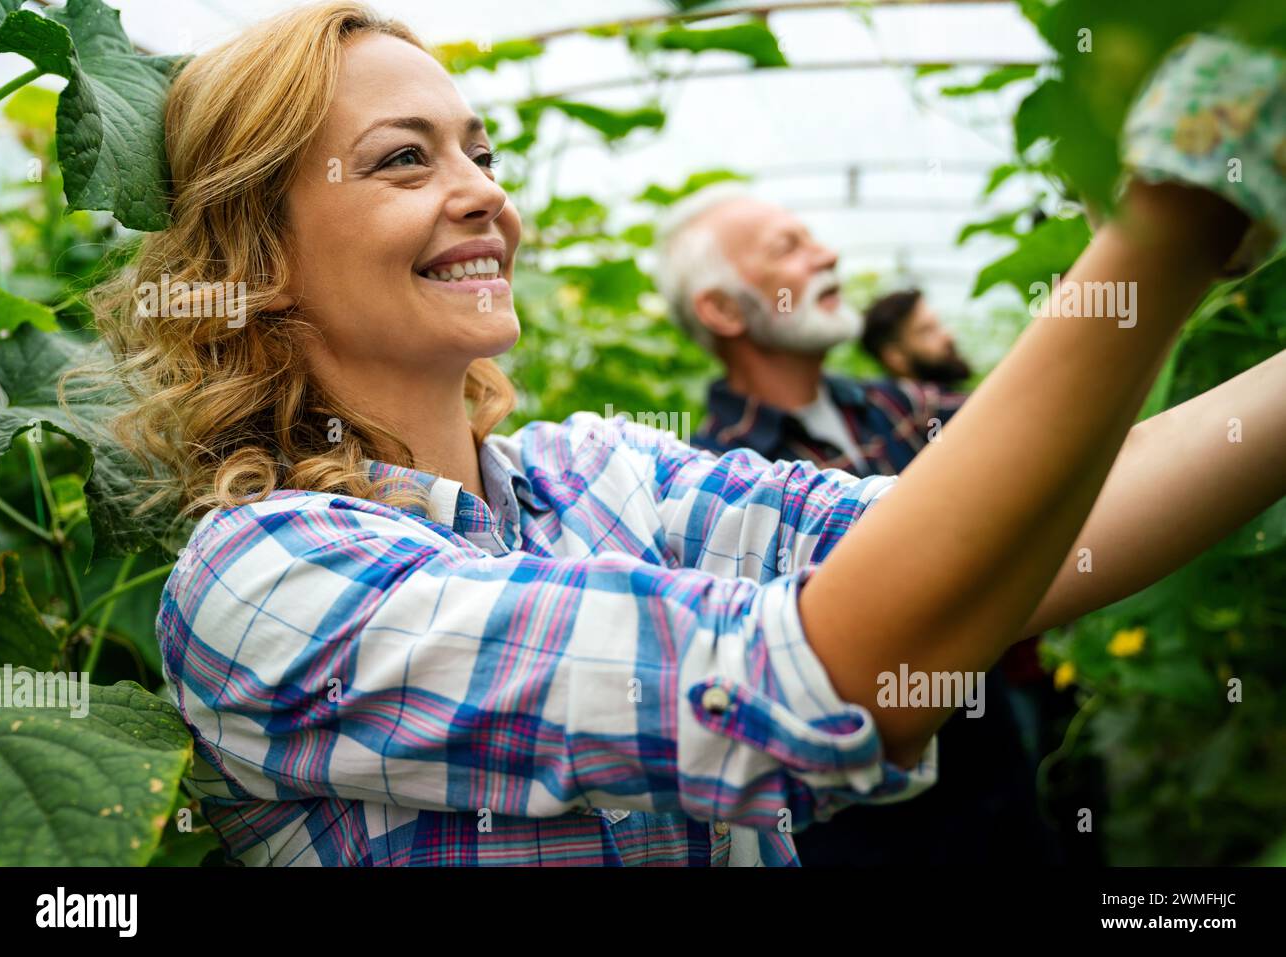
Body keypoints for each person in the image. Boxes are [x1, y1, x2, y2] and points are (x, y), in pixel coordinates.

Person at [95, 3, 1286, 866]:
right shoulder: (266, 578)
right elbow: (821, 677)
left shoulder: (595, 476)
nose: (485, 194)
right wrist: (1162, 225)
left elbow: (989, 534)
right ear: (257, 257)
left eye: (482, 151)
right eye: (405, 158)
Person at [657, 202, 1057, 864]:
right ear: (724, 311)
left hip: (994, 778)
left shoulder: (896, 406)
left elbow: (1042, 431)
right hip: (860, 827)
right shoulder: (708, 483)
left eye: (815, 238)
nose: (826, 255)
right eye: (788, 247)